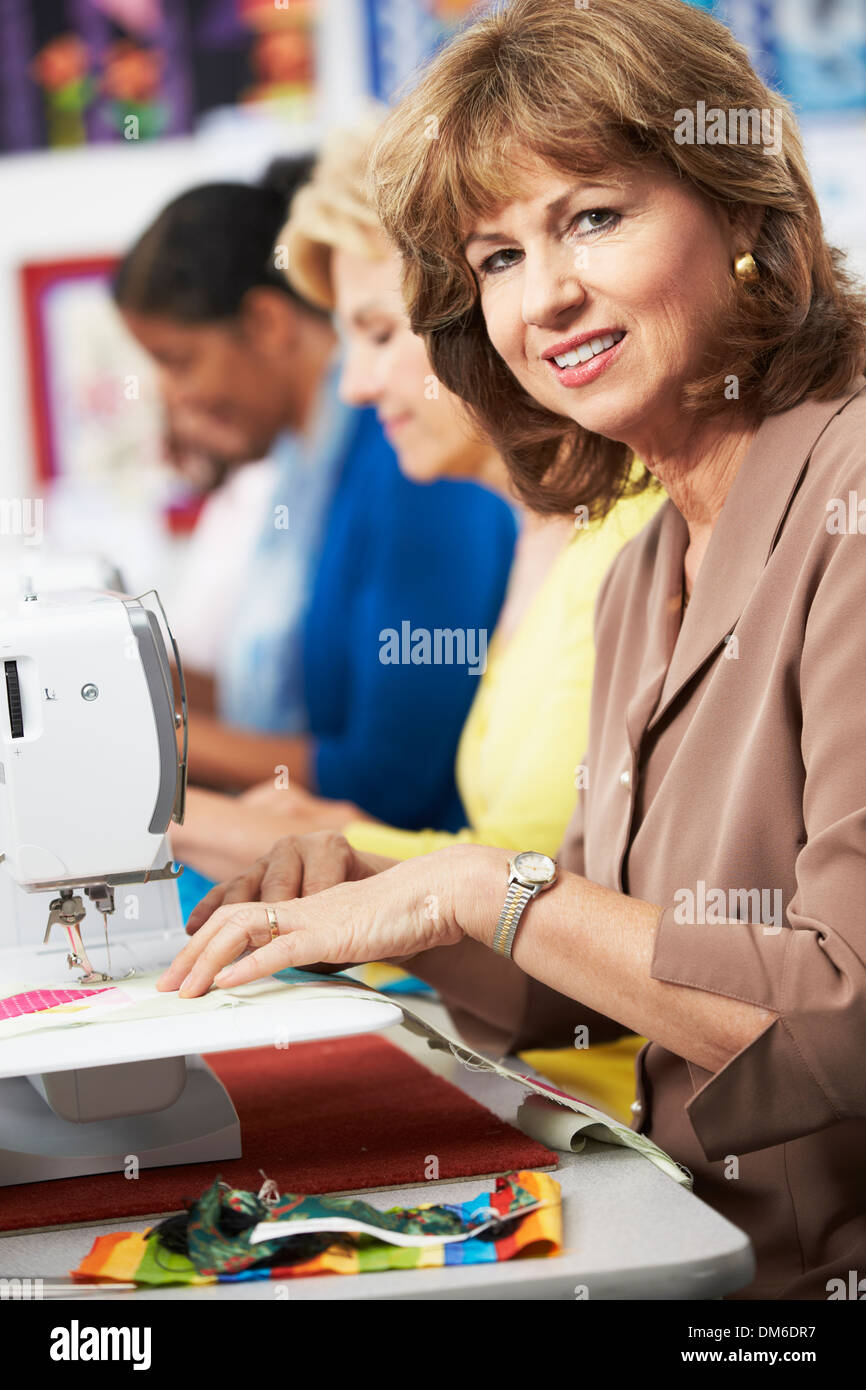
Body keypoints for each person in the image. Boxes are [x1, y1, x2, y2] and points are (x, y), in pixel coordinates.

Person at [155, 0, 866, 1299]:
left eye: (592, 215)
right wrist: (375, 894)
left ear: (747, 218)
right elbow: (602, 985)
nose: (543, 296)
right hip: (694, 1245)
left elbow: (838, 1016)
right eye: (495, 256)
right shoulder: (648, 554)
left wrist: (487, 885)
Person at [171, 119, 664, 1121]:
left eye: (380, 333)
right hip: (529, 1067)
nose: (354, 385)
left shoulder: (638, 541)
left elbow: (615, 921)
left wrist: (173, 812)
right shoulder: (542, 541)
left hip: (618, 1104)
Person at [113, 160, 517, 844]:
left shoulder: (408, 457)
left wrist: (149, 744)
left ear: (267, 323)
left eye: (179, 359)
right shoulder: (306, 467)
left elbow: (389, 775)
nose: (169, 397)